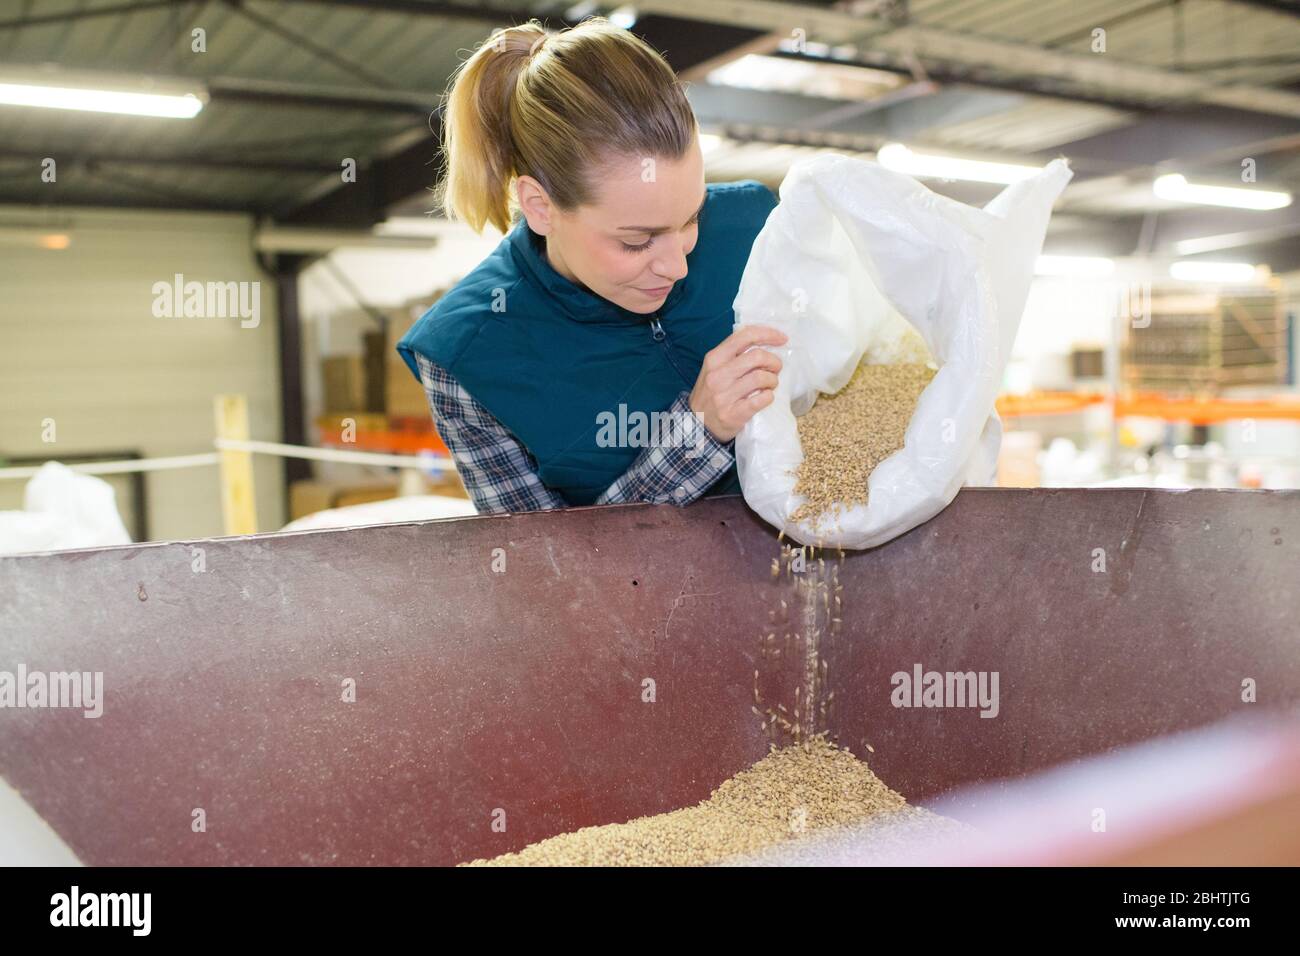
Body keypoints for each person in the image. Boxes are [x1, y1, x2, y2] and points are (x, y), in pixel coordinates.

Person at [396, 17, 787, 513]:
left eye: (691, 218)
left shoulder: (757, 226)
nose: (677, 267)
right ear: (540, 207)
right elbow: (547, 566)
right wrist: (699, 432)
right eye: (637, 241)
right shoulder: (463, 358)